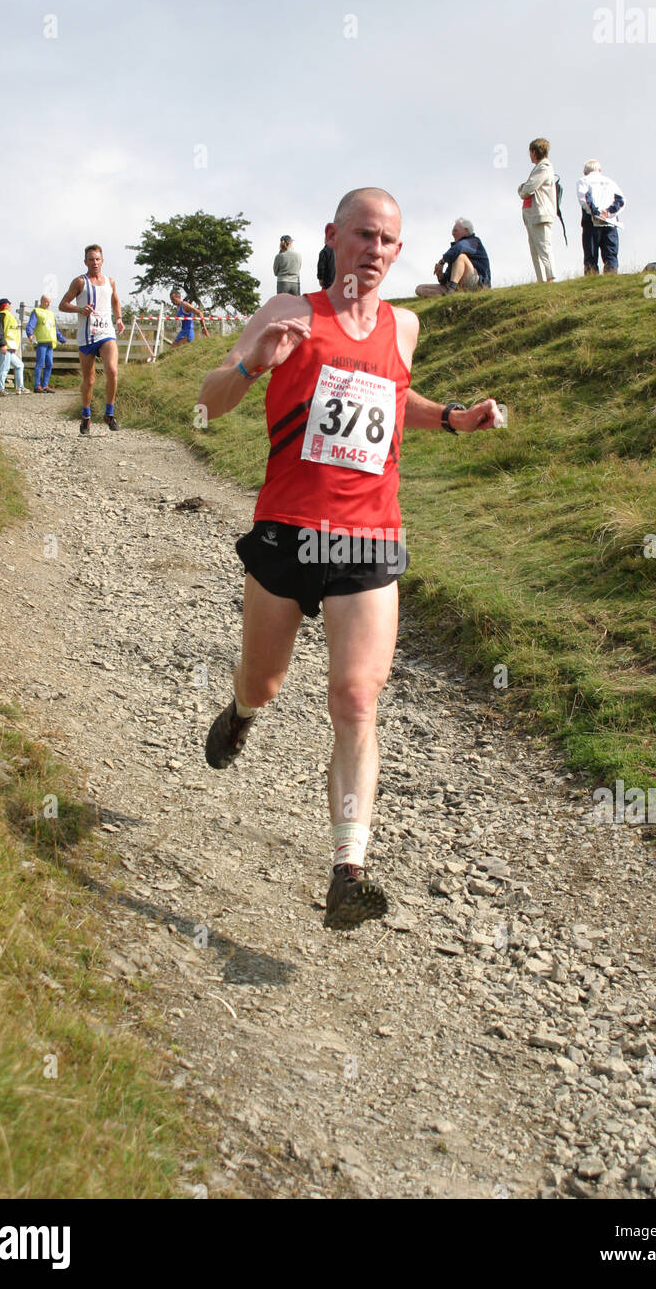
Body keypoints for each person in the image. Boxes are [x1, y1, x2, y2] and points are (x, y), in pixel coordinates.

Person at [196, 187, 505, 931]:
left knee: (357, 699)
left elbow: (394, 396)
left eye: (388, 240)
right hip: (286, 531)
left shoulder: (406, 327)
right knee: (264, 681)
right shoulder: (287, 314)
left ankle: (348, 869)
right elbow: (207, 403)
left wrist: (454, 418)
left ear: (400, 252)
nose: (373, 249)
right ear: (332, 237)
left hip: (368, 537)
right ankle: (240, 714)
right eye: (362, 234)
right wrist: (251, 367)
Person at [59, 244, 124, 435]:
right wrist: (79, 309)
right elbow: (63, 304)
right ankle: (86, 416)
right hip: (86, 336)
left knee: (112, 370)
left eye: (97, 259)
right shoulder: (79, 282)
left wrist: (118, 317)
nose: (94, 262)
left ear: (102, 261)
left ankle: (109, 413)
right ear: (85, 261)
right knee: (89, 380)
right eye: (90, 259)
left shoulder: (110, 281)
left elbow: (115, 300)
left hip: (106, 333)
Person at [414, 218, 491, 297]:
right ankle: (450, 295)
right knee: (420, 289)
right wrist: (441, 276)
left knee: (461, 257)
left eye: (455, 230)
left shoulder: (473, 242)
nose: (452, 233)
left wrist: (442, 262)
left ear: (466, 231)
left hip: (478, 285)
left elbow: (459, 247)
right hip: (458, 287)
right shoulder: (454, 253)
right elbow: (448, 278)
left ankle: (450, 291)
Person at [518, 138, 558, 283]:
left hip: (540, 214)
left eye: (530, 152)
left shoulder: (543, 168)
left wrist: (521, 188)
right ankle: (542, 280)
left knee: (544, 247)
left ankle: (550, 277)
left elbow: (527, 189)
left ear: (534, 152)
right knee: (535, 249)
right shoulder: (541, 168)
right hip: (534, 215)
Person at [577, 159, 625, 275]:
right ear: (600, 170)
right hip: (610, 222)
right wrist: (608, 212)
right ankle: (611, 280)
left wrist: (596, 213)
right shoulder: (611, 182)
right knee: (611, 255)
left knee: (591, 256)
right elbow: (621, 201)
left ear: (585, 172)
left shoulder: (583, 181)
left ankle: (591, 281)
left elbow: (584, 200)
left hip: (592, 221)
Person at [26, 294, 67, 391]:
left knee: (49, 364)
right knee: (40, 363)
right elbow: (31, 324)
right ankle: (37, 385)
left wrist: (61, 338)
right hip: (41, 342)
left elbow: (54, 328)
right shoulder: (36, 312)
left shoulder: (50, 313)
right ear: (42, 301)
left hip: (50, 342)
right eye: (46, 301)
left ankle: (45, 385)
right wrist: (30, 333)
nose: (48, 304)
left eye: (49, 302)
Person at [0, 298, 25, 394]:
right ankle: (0, 389)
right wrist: (2, 344)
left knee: (19, 365)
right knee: (4, 368)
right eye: (9, 303)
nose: (11, 305)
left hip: (9, 346)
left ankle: (20, 388)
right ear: (6, 305)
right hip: (5, 346)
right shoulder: (1, 315)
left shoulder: (7, 316)